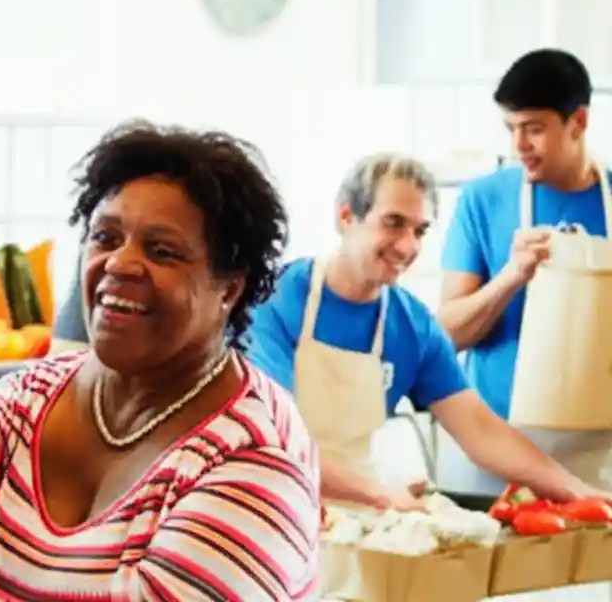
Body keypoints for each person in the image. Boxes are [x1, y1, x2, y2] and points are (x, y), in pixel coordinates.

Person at [0, 120, 320, 600]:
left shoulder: (255, 460)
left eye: (162, 252)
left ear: (229, 288)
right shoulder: (20, 403)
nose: (120, 263)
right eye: (105, 238)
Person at [245, 153, 602, 513]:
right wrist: (380, 494)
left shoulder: (412, 326)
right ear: (346, 215)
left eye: (419, 230)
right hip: (278, 505)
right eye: (394, 223)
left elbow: (481, 430)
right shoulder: (276, 300)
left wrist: (579, 491)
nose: (408, 246)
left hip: (357, 518)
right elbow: (277, 436)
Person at [438, 49, 612, 496]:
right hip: (495, 449)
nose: (519, 146)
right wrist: (511, 276)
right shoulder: (482, 201)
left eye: (534, 129)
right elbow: (448, 334)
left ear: (578, 122)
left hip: (601, 452)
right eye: (511, 129)